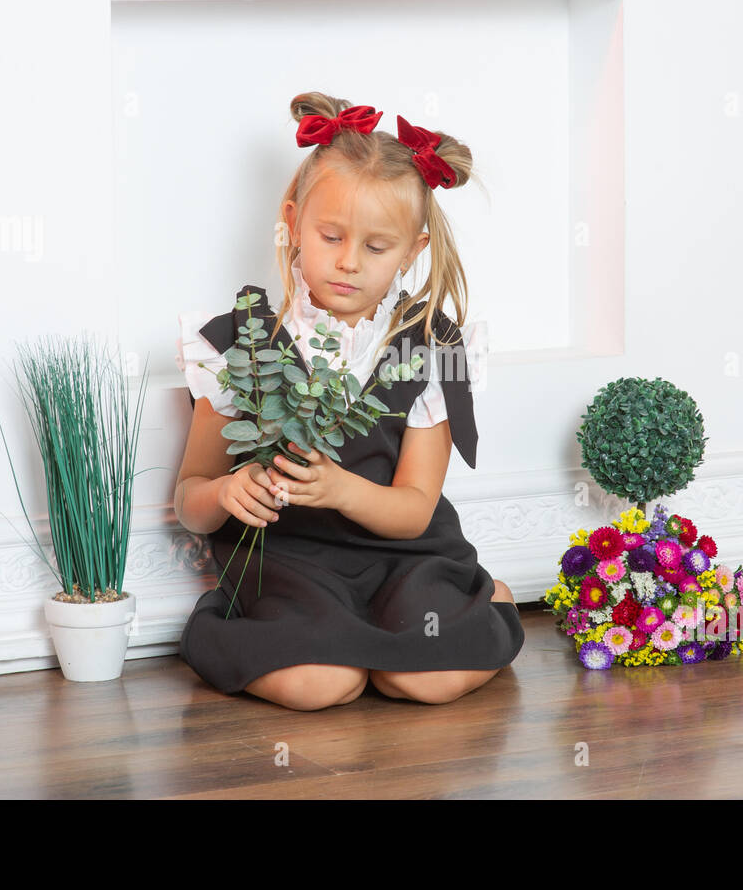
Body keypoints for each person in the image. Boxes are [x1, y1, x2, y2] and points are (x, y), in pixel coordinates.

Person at [172, 91, 525, 711]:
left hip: (405, 559)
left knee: (422, 680)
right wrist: (225, 493)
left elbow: (414, 511)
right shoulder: (238, 343)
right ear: (292, 223)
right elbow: (191, 501)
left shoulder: (432, 347)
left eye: (376, 247)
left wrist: (338, 489)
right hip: (291, 568)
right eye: (330, 235)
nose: (347, 262)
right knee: (319, 687)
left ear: (413, 251)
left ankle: (482, 600)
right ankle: (318, 641)